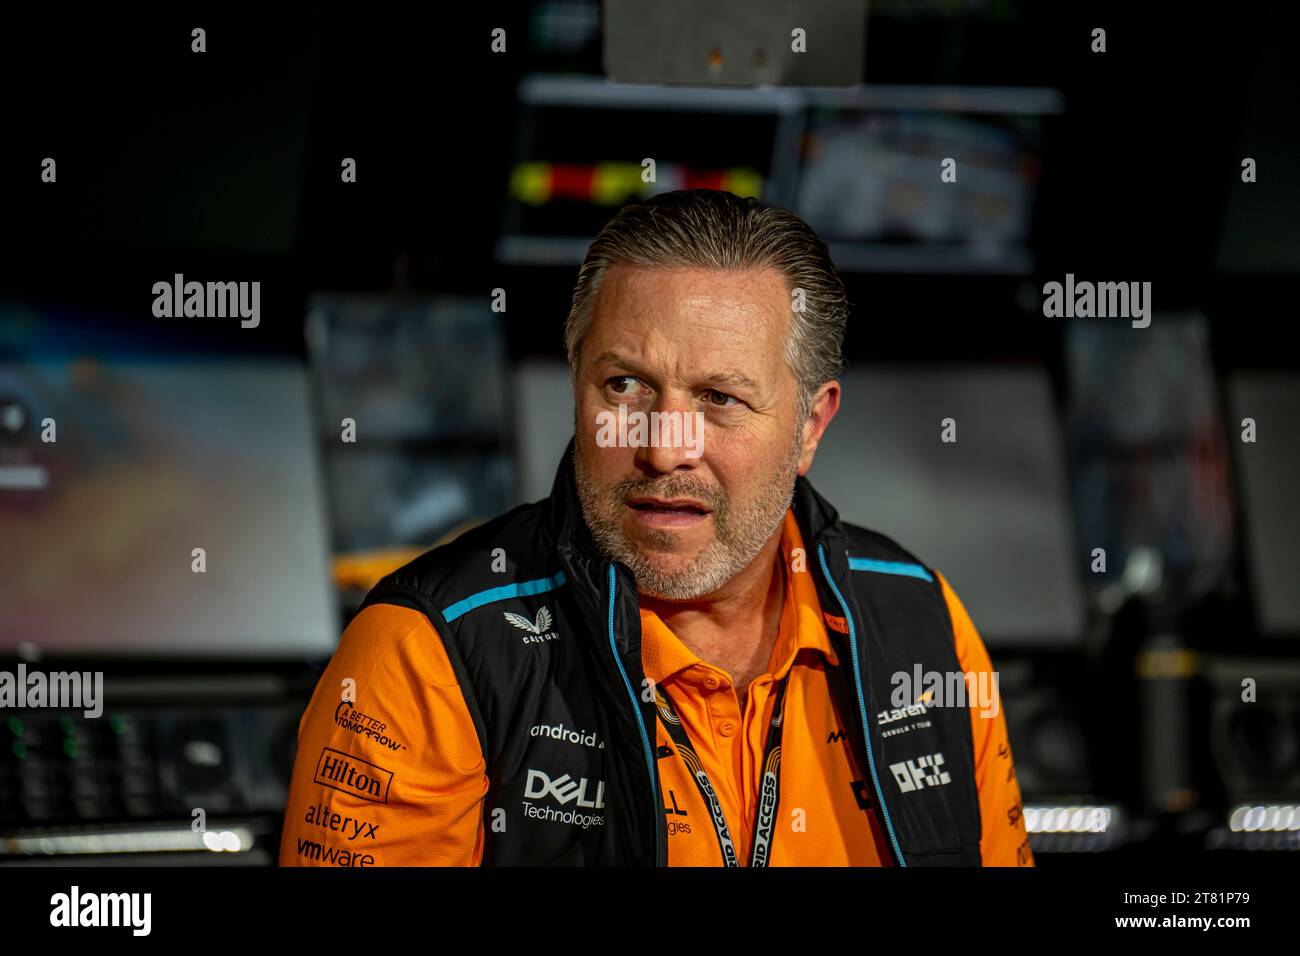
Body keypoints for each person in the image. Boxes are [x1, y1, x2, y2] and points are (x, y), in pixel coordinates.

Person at [279, 188, 1035, 867]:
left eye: (721, 398)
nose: (665, 446)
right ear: (576, 389)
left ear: (810, 425)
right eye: (626, 385)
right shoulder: (427, 651)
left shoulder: (923, 620)